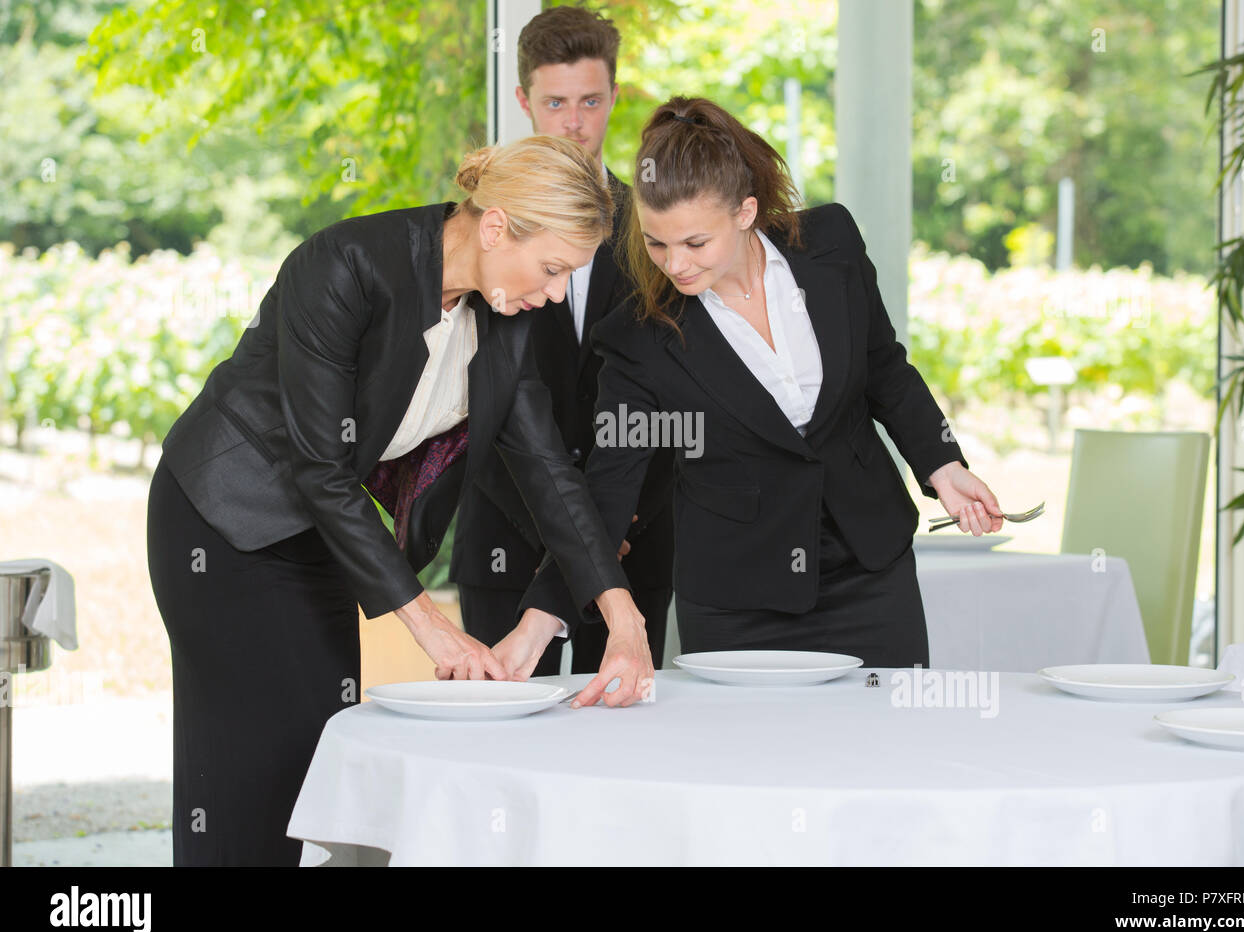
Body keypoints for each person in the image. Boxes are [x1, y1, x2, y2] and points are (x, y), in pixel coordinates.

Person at [146, 135, 653, 867]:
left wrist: (622, 616)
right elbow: (320, 466)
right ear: (496, 225)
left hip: (318, 535)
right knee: (244, 768)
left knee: (312, 756)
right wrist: (433, 628)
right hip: (222, 522)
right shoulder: (344, 266)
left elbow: (549, 472)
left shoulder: (507, 316)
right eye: (552, 269)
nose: (552, 294)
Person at [509, 97, 1005, 668]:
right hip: (735, 603)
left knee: (885, 749)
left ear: (745, 212)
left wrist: (942, 465)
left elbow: (885, 367)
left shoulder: (832, 243)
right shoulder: (637, 338)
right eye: (656, 242)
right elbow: (605, 491)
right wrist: (537, 623)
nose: (675, 264)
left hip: (870, 574)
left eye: (695, 242)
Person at [453, 4, 674, 679]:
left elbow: (668, 391)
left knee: (625, 747)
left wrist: (614, 523)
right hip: (507, 539)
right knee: (510, 751)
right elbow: (476, 402)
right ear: (524, 101)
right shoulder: (482, 229)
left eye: (590, 101)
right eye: (555, 103)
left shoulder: (659, 230)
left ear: (615, 97)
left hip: (637, 537)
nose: (574, 122)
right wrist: (566, 535)